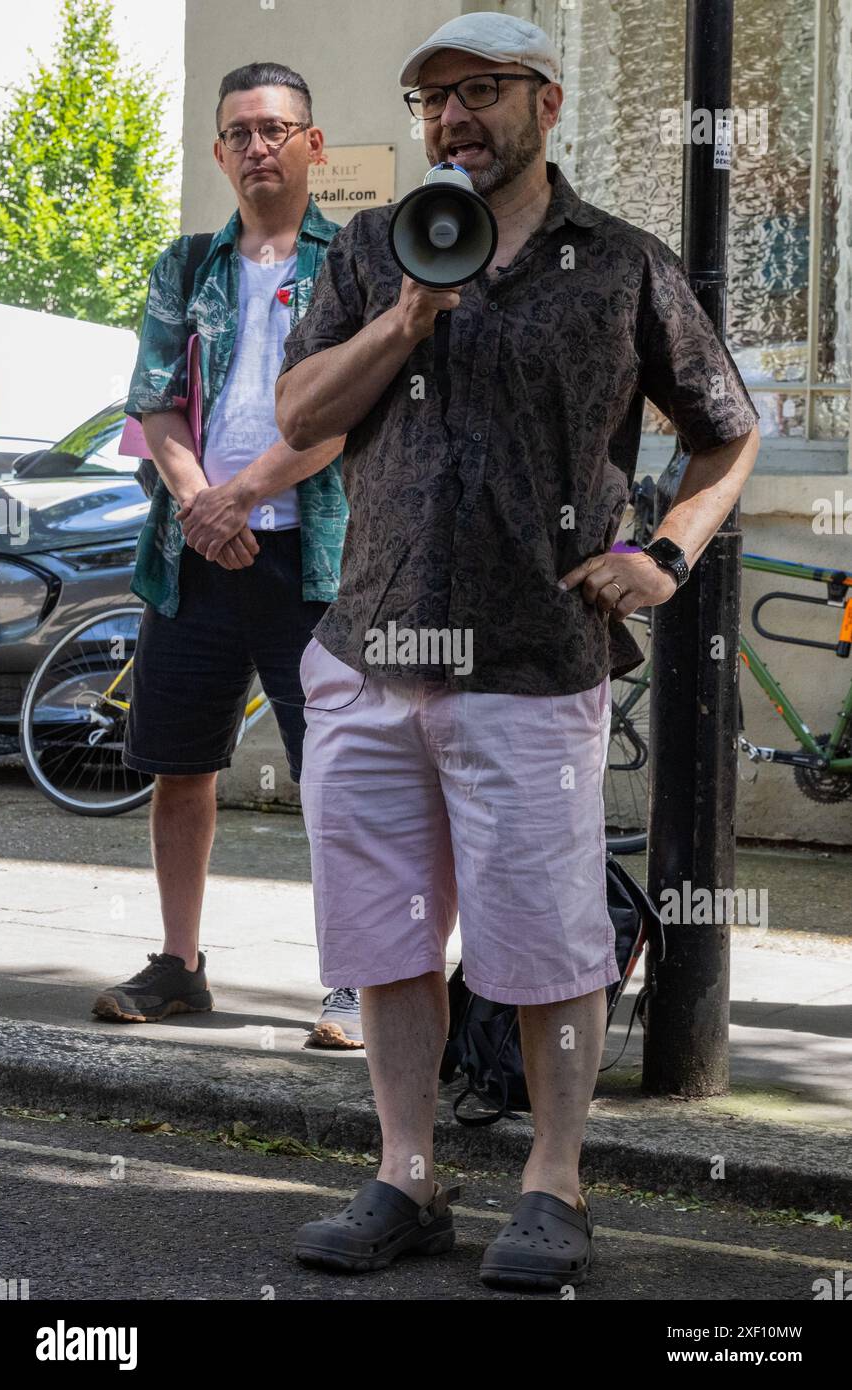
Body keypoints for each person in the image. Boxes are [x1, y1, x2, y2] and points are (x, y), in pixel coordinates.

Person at [276, 11, 760, 1289]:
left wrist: (663, 552)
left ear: (547, 103)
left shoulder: (622, 265)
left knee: (544, 942)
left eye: (481, 92)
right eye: (433, 99)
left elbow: (725, 432)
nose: (453, 119)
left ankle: (553, 1187)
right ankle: (407, 1179)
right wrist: (402, 323)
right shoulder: (372, 251)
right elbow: (297, 417)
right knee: (381, 939)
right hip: (369, 653)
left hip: (534, 660)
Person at [91, 62, 363, 1050]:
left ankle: (354, 982)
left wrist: (242, 496)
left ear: (311, 144)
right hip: (193, 557)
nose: (257, 146)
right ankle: (179, 962)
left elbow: (348, 409)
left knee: (337, 774)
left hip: (317, 561)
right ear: (219, 151)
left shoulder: (354, 261)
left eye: (276, 129)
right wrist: (203, 504)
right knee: (180, 766)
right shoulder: (185, 262)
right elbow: (155, 400)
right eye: (239, 132)